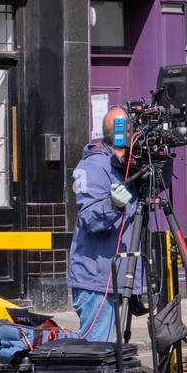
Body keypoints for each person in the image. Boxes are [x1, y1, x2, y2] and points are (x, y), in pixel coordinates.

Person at [67, 106, 144, 342]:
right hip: (98, 281)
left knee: (109, 357)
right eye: (135, 130)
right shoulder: (95, 165)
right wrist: (113, 205)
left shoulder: (126, 166)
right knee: (95, 354)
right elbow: (89, 219)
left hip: (113, 276)